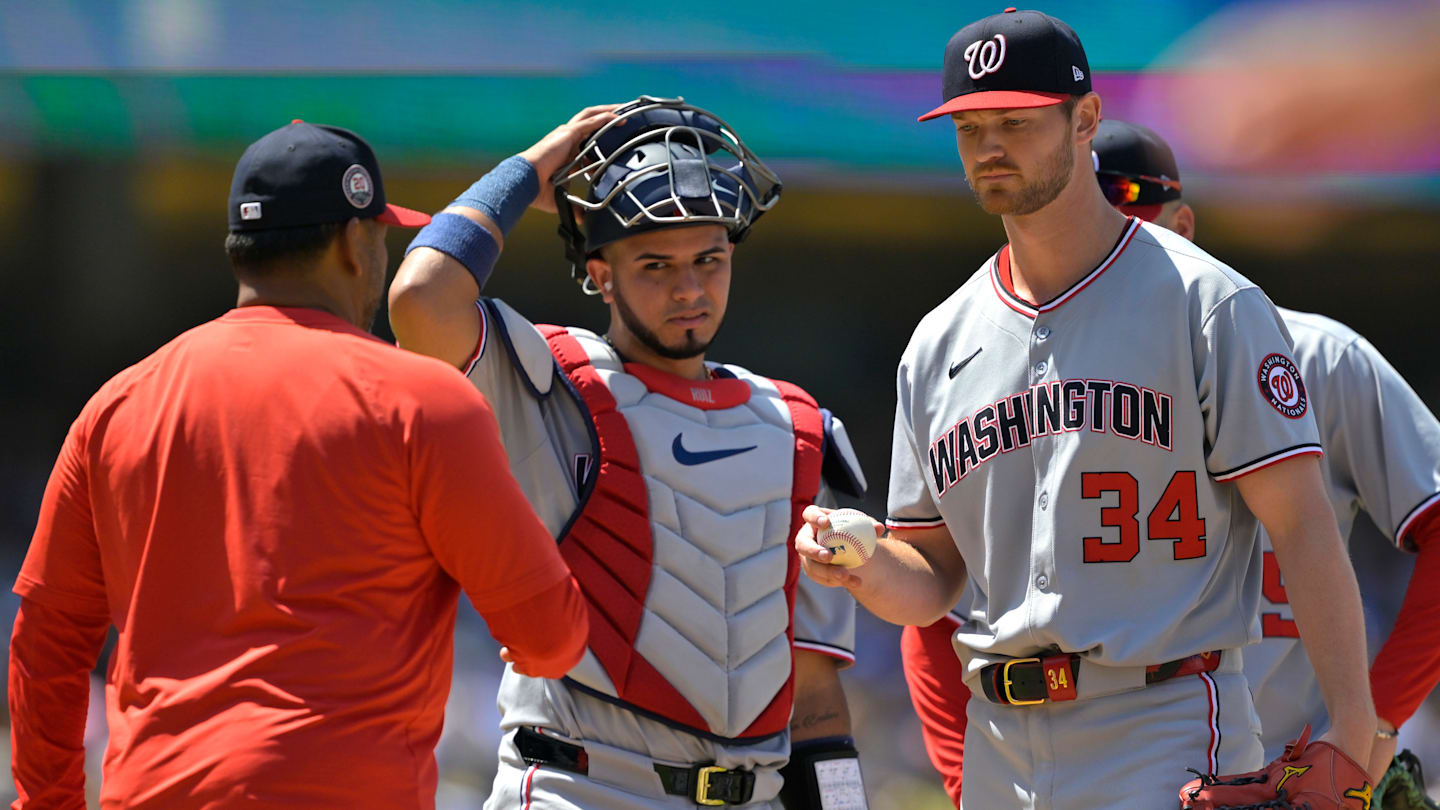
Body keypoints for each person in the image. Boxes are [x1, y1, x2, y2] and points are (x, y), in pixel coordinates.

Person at [796, 9, 1379, 809]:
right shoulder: (938, 343)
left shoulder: (1206, 301)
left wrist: (1353, 725)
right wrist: (862, 564)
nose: (990, 146)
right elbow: (930, 581)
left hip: (1164, 720)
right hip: (1000, 739)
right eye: (970, 126)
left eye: (1017, 121)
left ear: (1085, 119)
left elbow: (1304, 524)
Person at [8, 121, 588, 809]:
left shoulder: (117, 405)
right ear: (352, 244)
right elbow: (549, 639)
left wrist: (49, 804)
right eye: (380, 237)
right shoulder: (423, 403)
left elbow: (46, 646)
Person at [898, 117, 1440, 807]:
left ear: (1183, 227)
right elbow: (940, 600)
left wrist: (1374, 720)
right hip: (1100, 755)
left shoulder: (1317, 358)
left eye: (1128, 216)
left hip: (1302, 766)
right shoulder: (1018, 380)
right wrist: (963, 780)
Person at [388, 97, 870, 809]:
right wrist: (533, 167)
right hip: (581, 786)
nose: (689, 288)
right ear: (601, 273)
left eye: (709, 260)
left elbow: (818, 699)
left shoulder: (796, 426)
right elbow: (421, 299)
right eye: (654, 264)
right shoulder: (548, 383)